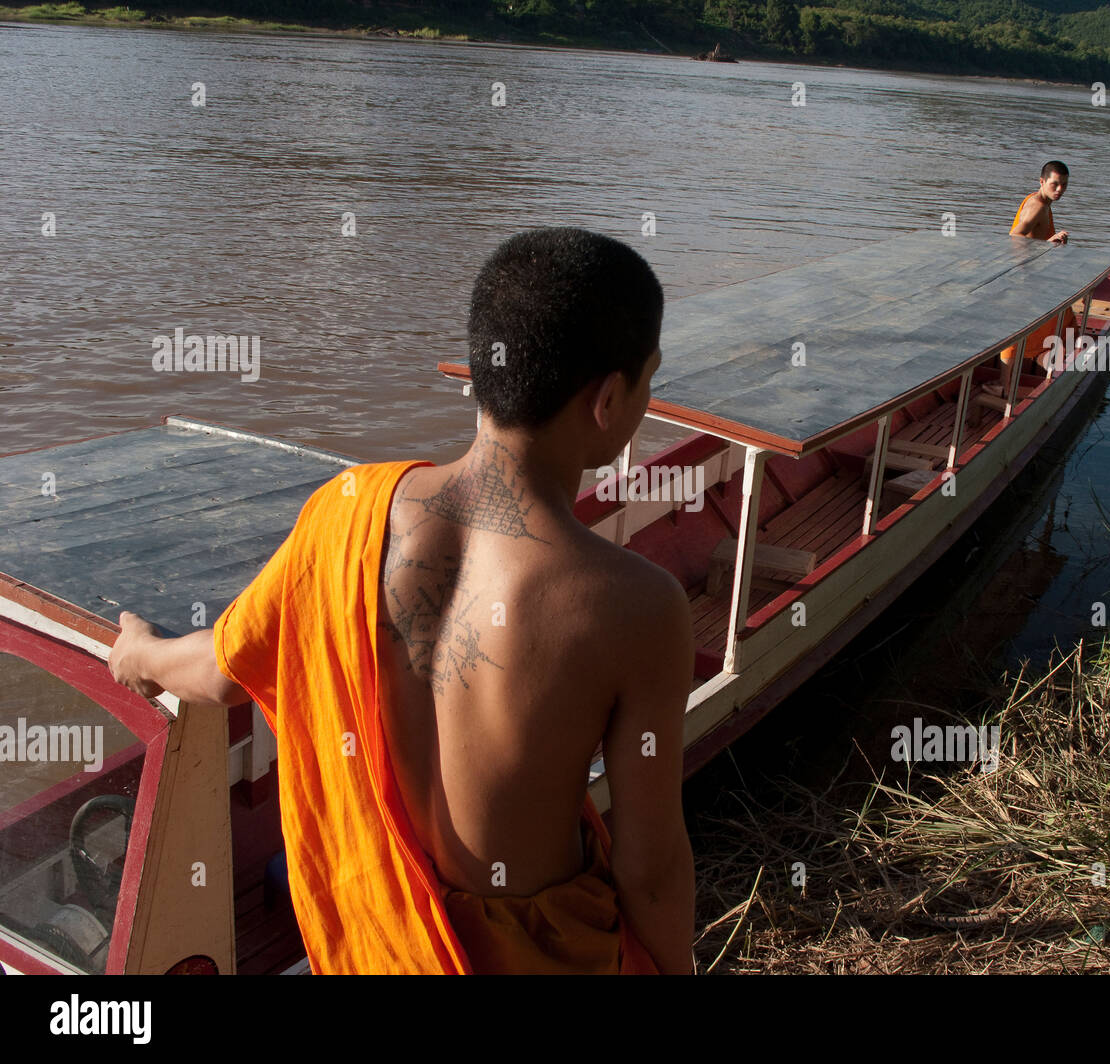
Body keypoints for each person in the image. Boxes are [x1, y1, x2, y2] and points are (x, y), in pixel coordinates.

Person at [108, 227, 697, 975]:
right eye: (650, 379)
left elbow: (226, 666)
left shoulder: (345, 511)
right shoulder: (635, 605)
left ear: (478, 374)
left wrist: (141, 653)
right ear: (610, 399)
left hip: (378, 947)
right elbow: (651, 869)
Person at [994, 160, 1074, 397]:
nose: (1059, 190)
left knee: (1064, 320)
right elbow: (1014, 237)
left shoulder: (1043, 203)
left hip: (1030, 275)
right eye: (1054, 184)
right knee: (1017, 336)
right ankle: (1005, 388)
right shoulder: (1038, 206)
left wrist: (1050, 244)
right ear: (1042, 182)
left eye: (1064, 185)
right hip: (1022, 279)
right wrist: (1047, 244)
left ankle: (1039, 378)